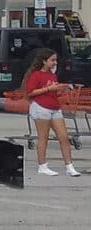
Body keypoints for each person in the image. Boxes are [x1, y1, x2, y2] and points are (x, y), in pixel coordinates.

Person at [22, 48, 79, 176]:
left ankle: (69, 166)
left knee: (64, 137)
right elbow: (31, 92)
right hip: (41, 107)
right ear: (44, 61)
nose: (55, 63)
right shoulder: (36, 75)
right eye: (52, 60)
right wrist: (49, 88)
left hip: (54, 107)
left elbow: (53, 92)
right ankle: (42, 165)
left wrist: (61, 89)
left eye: (55, 60)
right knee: (43, 137)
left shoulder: (52, 75)